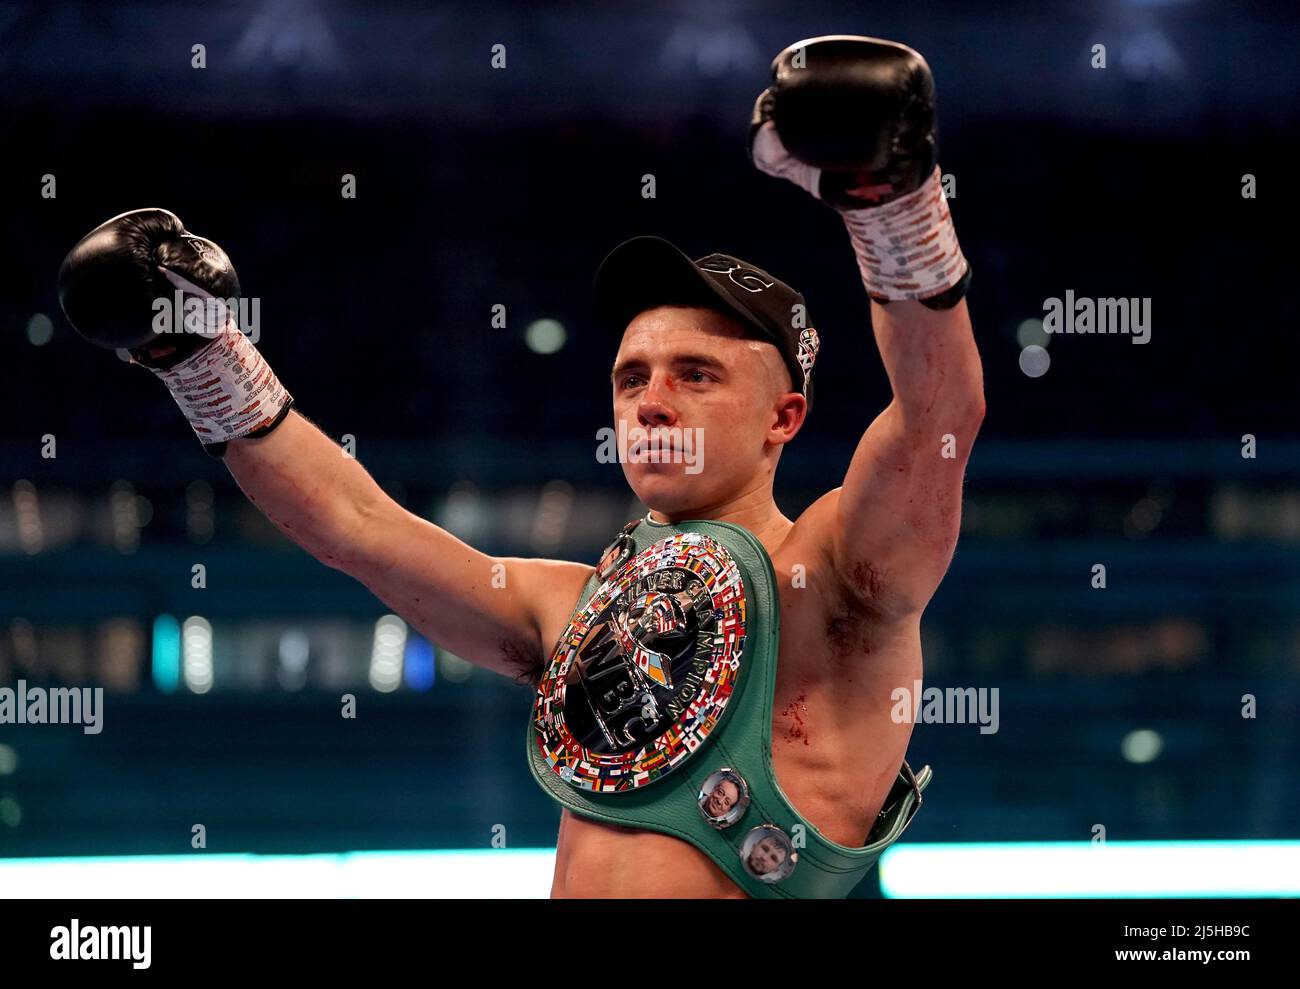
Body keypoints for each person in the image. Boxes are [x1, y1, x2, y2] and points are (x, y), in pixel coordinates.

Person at [57, 35, 982, 898]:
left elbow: (939, 415)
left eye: (695, 374)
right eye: (630, 378)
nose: (651, 399)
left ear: (786, 415)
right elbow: (357, 529)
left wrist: (891, 201)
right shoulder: (570, 608)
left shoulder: (842, 575)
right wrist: (204, 357)